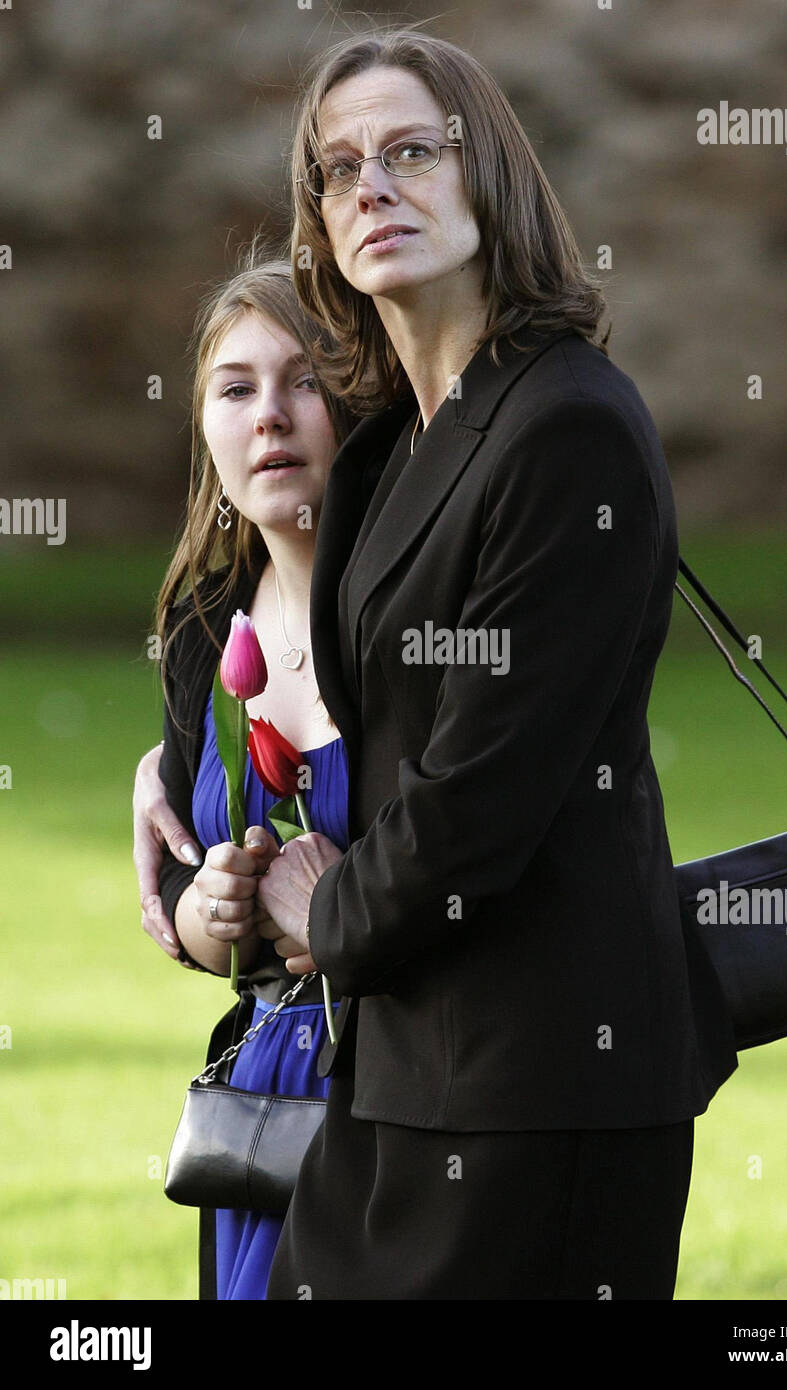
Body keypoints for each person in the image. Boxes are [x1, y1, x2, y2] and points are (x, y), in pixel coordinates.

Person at [135, 25, 738, 1300]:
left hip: (544, 1075)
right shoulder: (401, 445)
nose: (373, 187)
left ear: (489, 180)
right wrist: (193, 775)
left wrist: (322, 909)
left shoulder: (564, 426)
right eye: (339, 169)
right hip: (408, 1064)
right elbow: (377, 705)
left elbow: (481, 790)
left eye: (412, 150)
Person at [147, 251, 358, 1299]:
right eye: (236, 389)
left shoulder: (401, 620)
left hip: (393, 1088)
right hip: (262, 1110)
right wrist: (213, 909)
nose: (269, 414)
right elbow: (182, 892)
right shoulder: (201, 633)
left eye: (305, 380)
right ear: (210, 431)